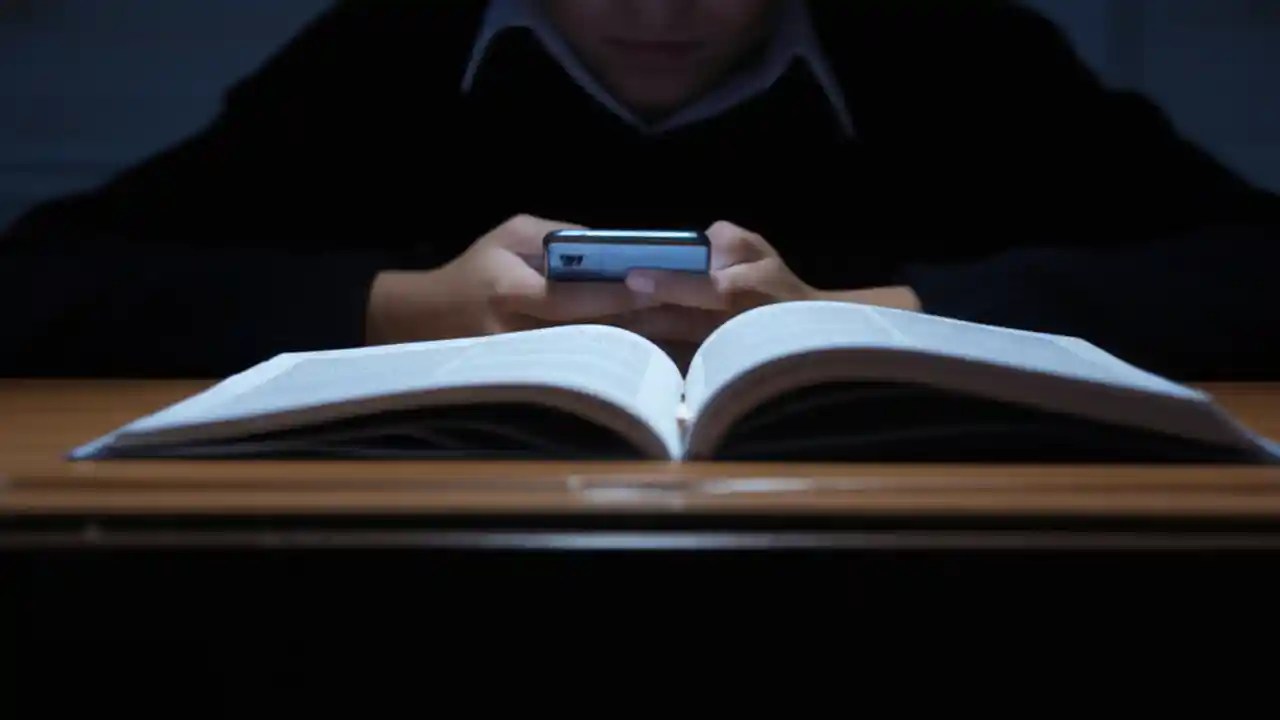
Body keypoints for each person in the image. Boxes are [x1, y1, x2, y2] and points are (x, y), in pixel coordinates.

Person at [2, 0, 1277, 379]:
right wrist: (403, 307)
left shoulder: (952, 49)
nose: (660, 4)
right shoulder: (390, 50)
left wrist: (873, 314)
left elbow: (1251, 270)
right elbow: (41, 284)